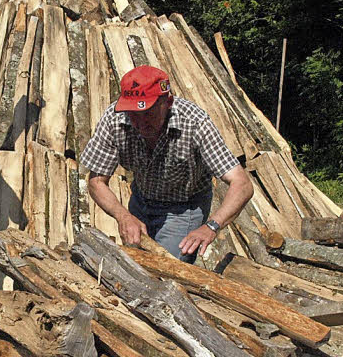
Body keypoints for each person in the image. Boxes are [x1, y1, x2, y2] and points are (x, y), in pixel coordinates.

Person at [79, 65, 253, 263]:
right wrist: (123, 216)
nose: (140, 123)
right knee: (135, 265)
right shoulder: (115, 118)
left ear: (167, 102)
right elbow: (96, 182)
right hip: (140, 200)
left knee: (166, 269)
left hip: (183, 208)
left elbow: (242, 184)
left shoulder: (194, 122)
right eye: (133, 114)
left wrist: (212, 226)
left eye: (148, 113)